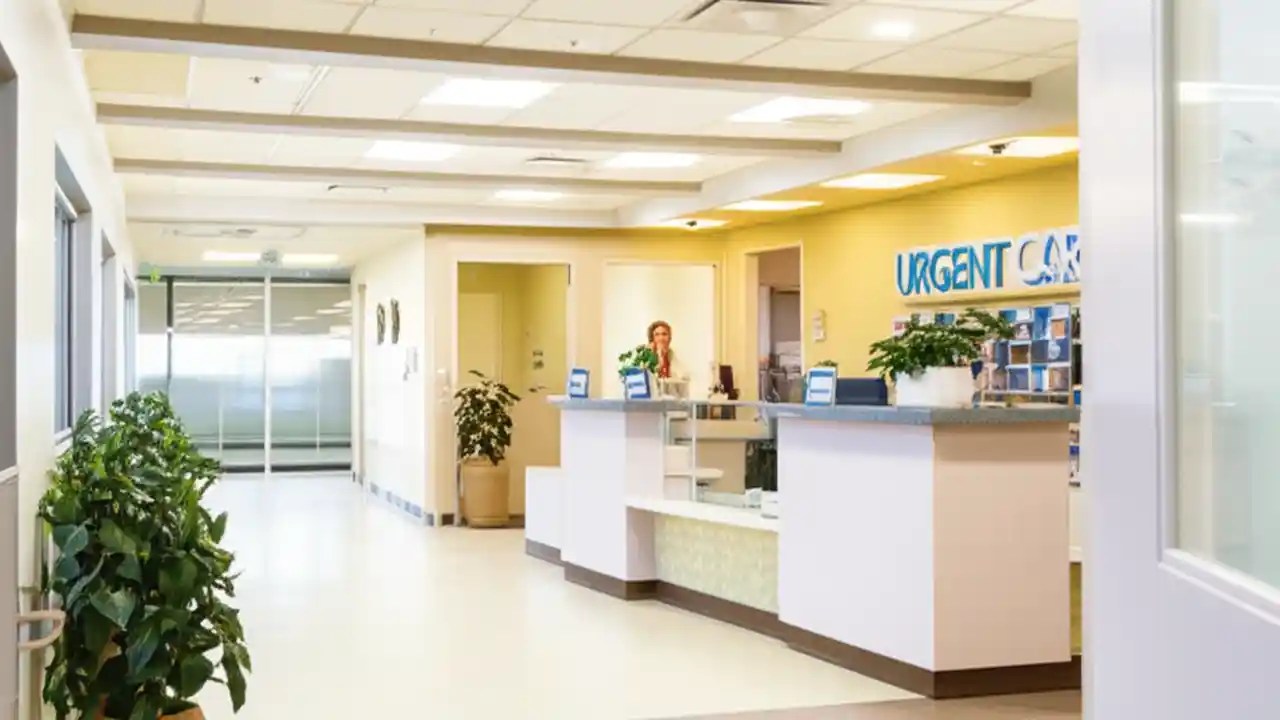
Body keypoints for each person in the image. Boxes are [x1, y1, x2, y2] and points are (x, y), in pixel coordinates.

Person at [647, 320, 688, 395]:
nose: (661, 338)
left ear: (669, 338)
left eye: (664, 334)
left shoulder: (677, 363)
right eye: (657, 335)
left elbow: (683, 390)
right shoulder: (645, 361)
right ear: (652, 339)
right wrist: (659, 358)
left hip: (673, 404)